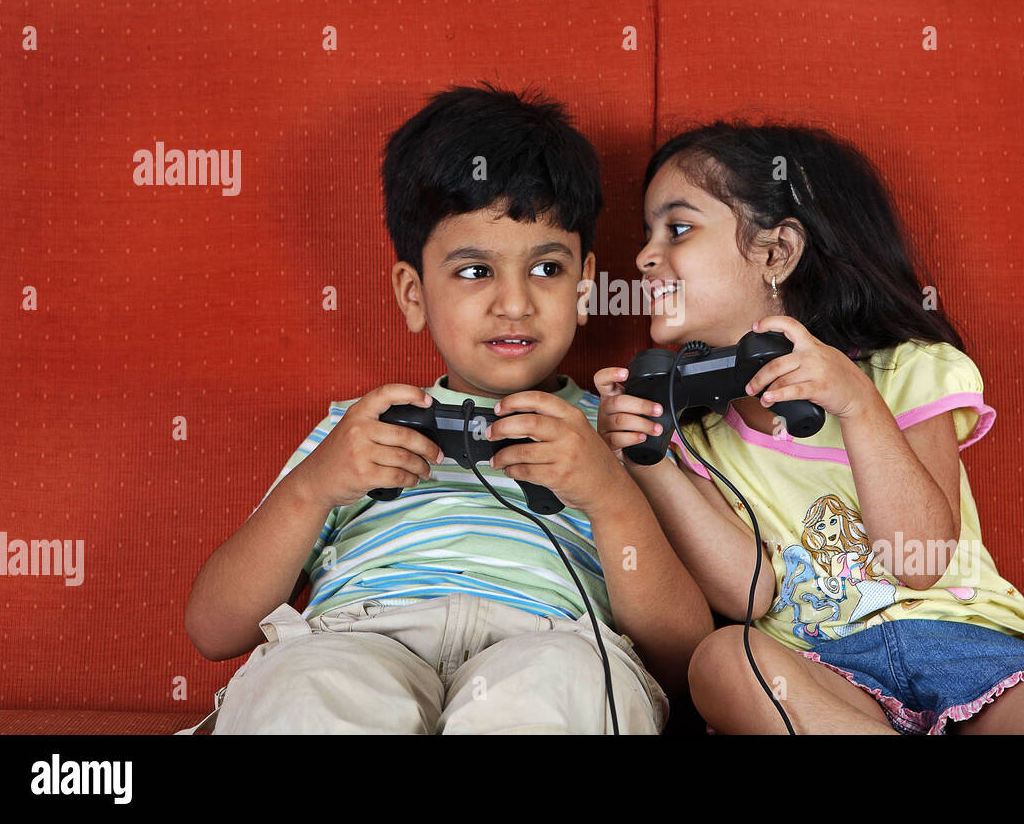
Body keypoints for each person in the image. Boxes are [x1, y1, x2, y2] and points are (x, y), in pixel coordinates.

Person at [594, 121, 1024, 735]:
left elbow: (917, 559)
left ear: (776, 253)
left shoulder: (907, 370)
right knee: (724, 660)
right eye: (648, 232)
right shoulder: (700, 434)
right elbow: (752, 595)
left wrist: (857, 404)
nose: (642, 256)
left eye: (678, 229)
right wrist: (652, 459)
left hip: (970, 650)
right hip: (822, 677)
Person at [183, 83, 713, 734]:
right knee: (306, 688)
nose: (514, 302)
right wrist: (315, 485)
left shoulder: (620, 429)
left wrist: (610, 495)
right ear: (413, 293)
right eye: (473, 271)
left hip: (552, 639)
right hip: (362, 634)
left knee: (565, 689)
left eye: (547, 269)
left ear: (585, 288)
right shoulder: (358, 431)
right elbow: (214, 629)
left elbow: (686, 655)